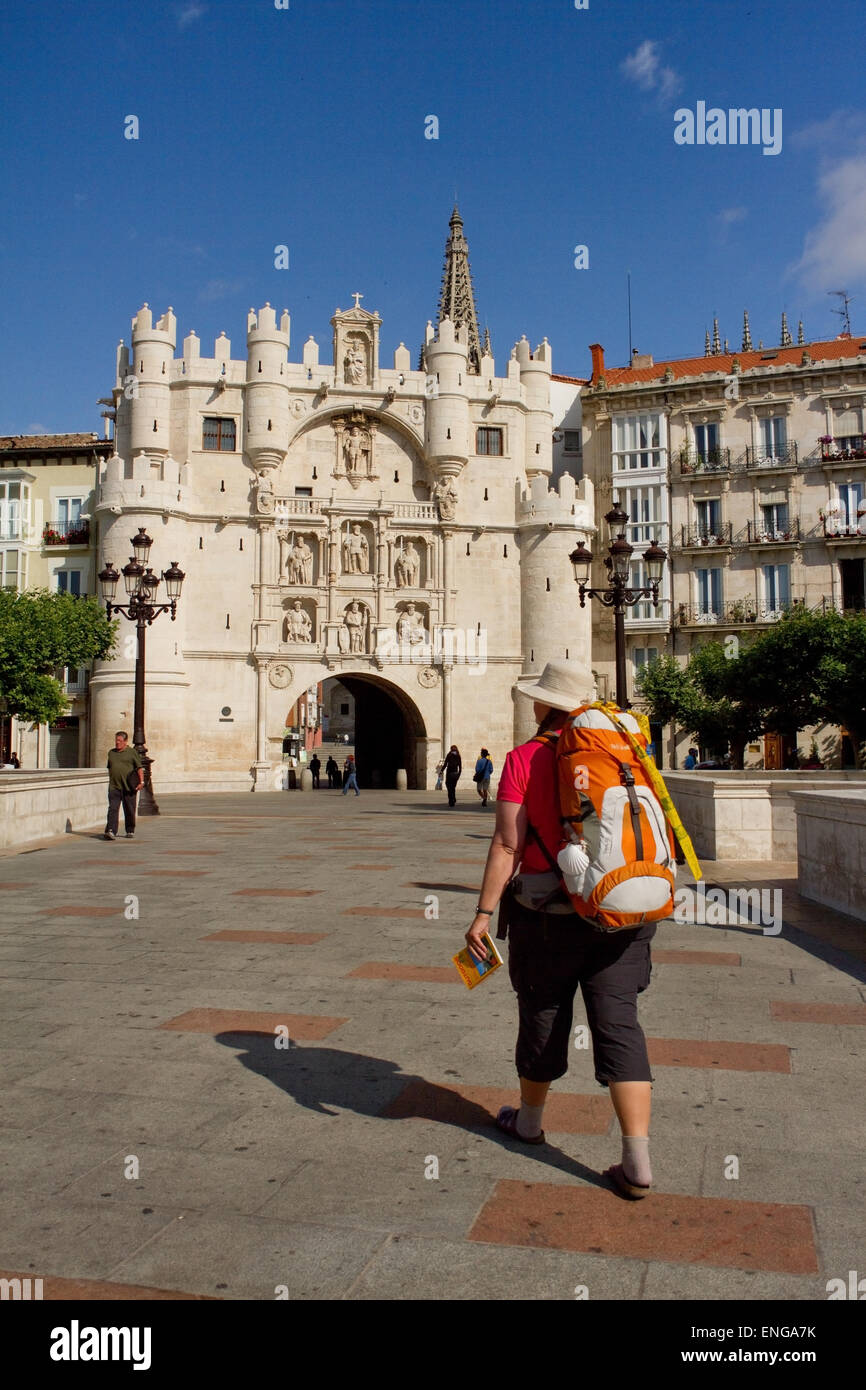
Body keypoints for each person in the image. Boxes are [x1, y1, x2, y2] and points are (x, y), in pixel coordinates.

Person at [464, 659, 658, 1201]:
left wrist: (483, 913)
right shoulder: (628, 748)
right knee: (620, 1024)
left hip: (545, 914)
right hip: (620, 909)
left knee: (544, 1011)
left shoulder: (525, 757)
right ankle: (637, 1158)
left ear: (542, 705)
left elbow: (507, 844)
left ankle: (528, 1122)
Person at [104, 731, 144, 840]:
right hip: (114, 786)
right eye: (116, 740)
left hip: (129, 787)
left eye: (120, 741)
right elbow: (110, 767)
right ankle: (111, 831)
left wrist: (141, 782)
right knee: (112, 809)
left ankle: (130, 830)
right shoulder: (111, 753)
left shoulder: (132, 752)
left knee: (129, 809)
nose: (117, 743)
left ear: (125, 742)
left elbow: (139, 768)